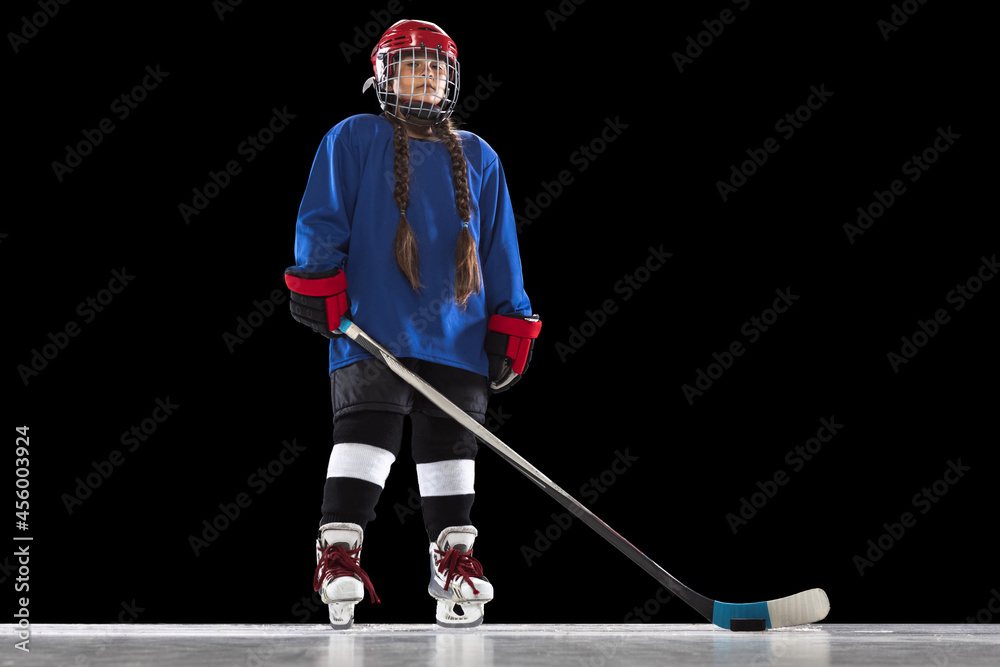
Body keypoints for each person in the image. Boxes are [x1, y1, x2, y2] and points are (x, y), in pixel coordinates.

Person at [283, 19, 541, 629]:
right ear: (383, 75)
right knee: (365, 433)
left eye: (436, 66)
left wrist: (511, 320)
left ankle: (454, 557)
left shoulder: (480, 155)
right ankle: (339, 551)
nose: (426, 74)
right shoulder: (353, 137)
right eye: (413, 64)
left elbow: (500, 247)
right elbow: (323, 216)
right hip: (373, 326)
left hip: (459, 333)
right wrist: (319, 279)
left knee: (450, 444)